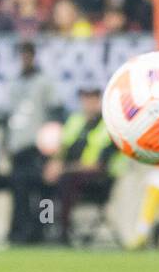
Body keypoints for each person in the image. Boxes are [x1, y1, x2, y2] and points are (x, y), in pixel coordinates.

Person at [43, 86, 119, 245]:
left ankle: (63, 232)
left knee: (66, 181)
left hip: (98, 179)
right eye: (85, 98)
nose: (88, 103)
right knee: (43, 181)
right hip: (70, 173)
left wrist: (64, 169)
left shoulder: (109, 127)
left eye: (92, 98)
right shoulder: (76, 121)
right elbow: (63, 147)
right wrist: (54, 164)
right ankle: (46, 224)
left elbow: (98, 165)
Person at [3, 41, 57, 244]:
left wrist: (53, 152)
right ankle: (21, 233)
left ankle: (45, 230)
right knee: (20, 193)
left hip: (39, 148)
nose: (25, 59)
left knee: (45, 193)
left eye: (28, 55)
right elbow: (11, 117)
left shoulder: (44, 83)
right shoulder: (16, 84)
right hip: (19, 148)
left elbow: (54, 115)